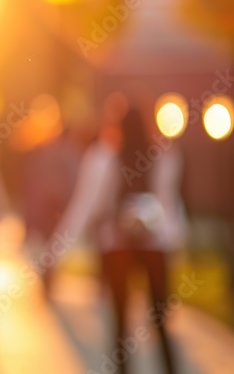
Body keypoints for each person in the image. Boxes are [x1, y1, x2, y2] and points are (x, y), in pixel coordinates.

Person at [53, 95, 186, 374]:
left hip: (117, 246)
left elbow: (86, 204)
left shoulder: (103, 157)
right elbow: (168, 205)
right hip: (153, 245)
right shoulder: (163, 154)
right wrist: (167, 236)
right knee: (160, 318)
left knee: (120, 322)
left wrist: (57, 248)